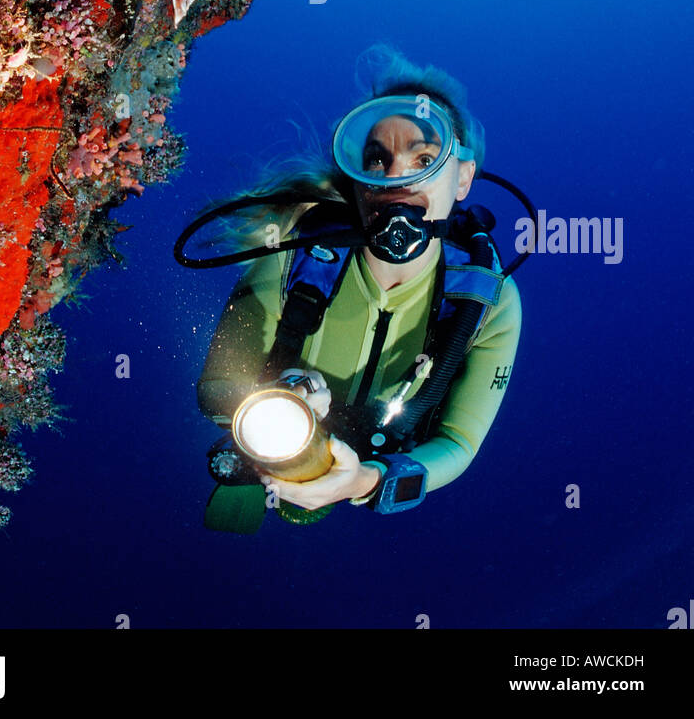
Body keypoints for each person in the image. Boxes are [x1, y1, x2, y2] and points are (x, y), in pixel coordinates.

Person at [195, 48, 522, 530]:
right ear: (356, 181)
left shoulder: (488, 301)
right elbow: (214, 389)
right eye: (377, 158)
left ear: (464, 179)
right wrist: (280, 397)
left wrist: (367, 482)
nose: (397, 177)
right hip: (276, 446)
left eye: (425, 157)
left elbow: (459, 442)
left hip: (379, 455)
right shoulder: (293, 251)